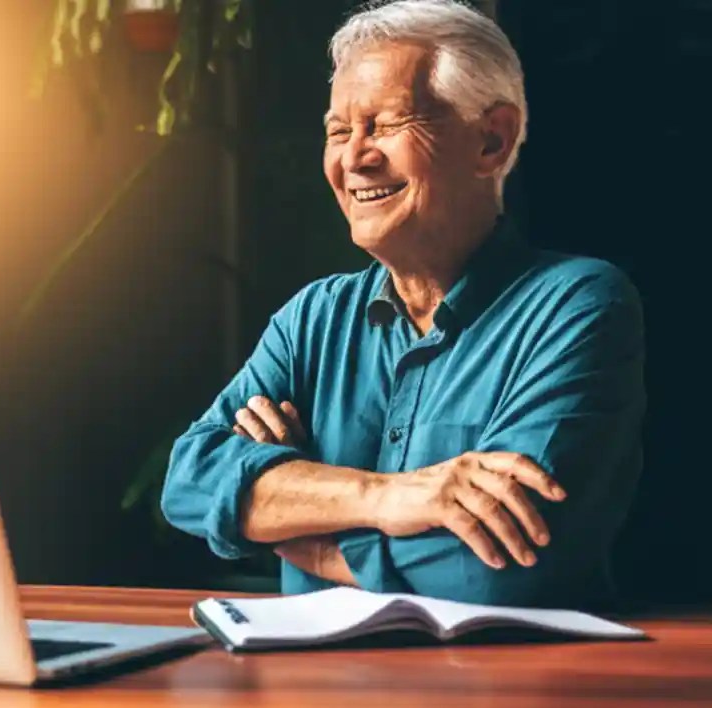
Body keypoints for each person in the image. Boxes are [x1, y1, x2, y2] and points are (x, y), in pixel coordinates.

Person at [160, 0, 644, 608]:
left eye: (385, 125)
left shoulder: (576, 305)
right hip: (315, 697)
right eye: (339, 131)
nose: (354, 158)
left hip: (503, 693)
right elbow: (190, 482)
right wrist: (392, 498)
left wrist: (309, 539)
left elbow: (503, 566)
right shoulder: (312, 320)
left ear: (492, 140)